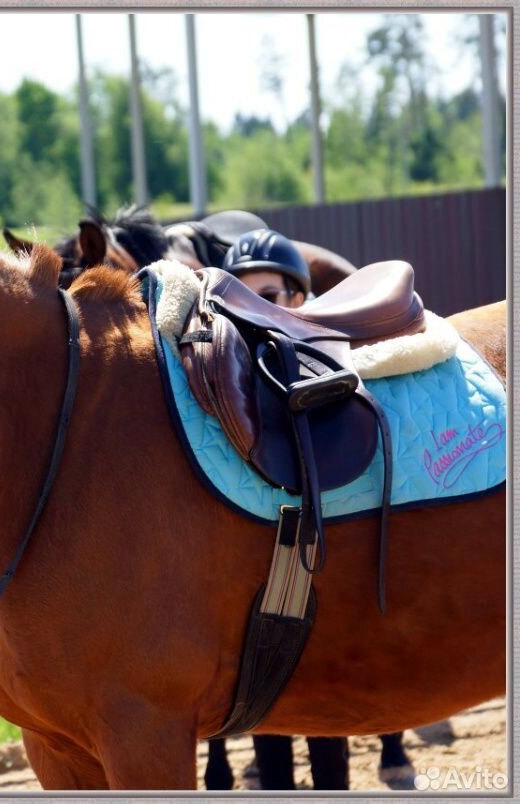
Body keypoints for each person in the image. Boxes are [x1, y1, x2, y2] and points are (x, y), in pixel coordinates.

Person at [214, 229, 411, 792]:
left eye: (269, 297)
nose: (254, 312)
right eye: (240, 300)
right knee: (267, 735)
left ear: (299, 301)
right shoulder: (216, 389)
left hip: (322, 592)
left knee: (325, 734)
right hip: (252, 607)